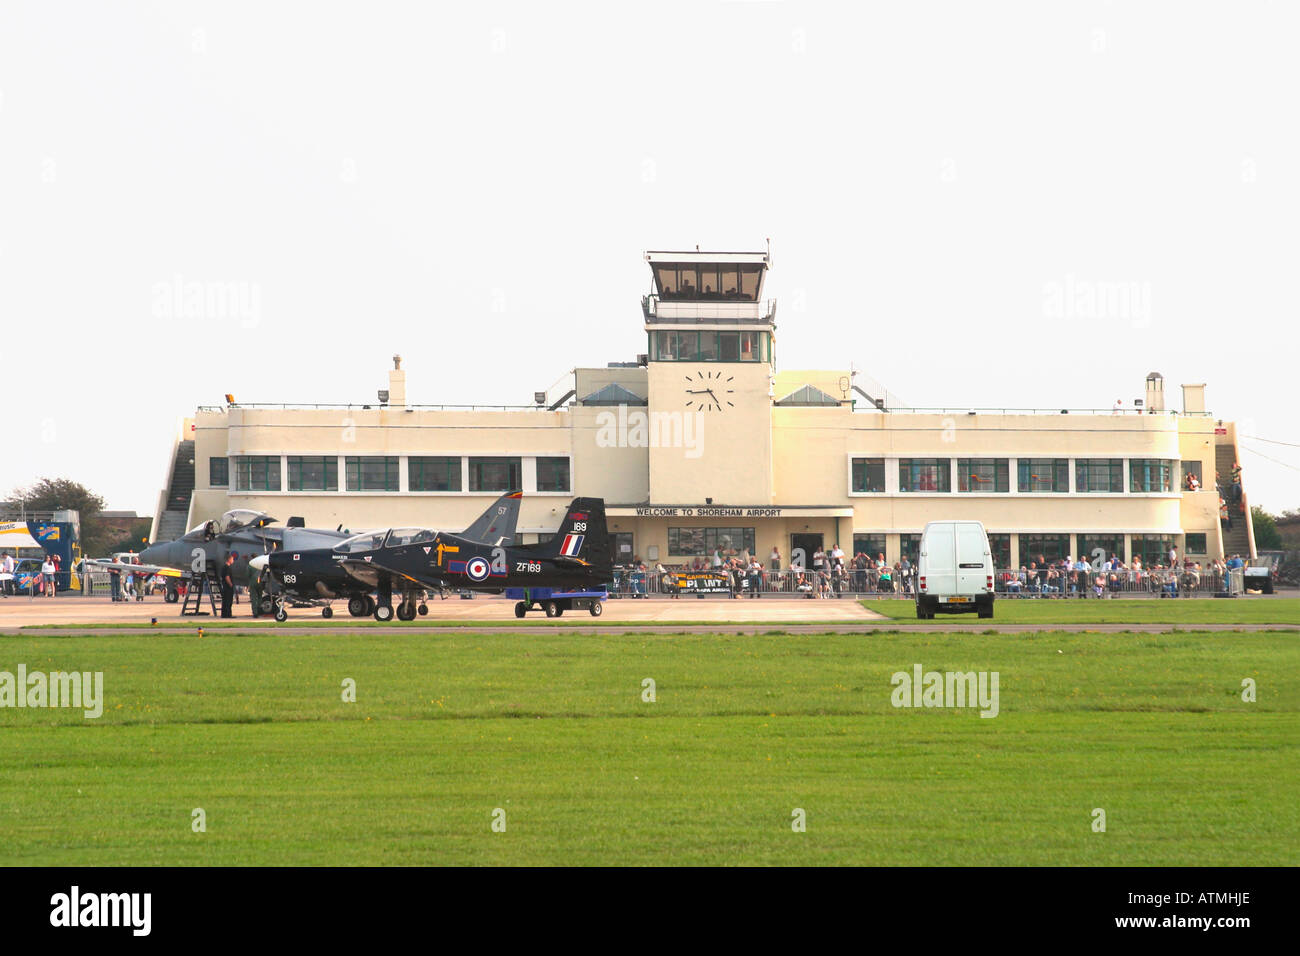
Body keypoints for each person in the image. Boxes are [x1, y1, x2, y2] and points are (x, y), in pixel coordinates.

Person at [220, 553, 236, 618]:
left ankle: (224, 614)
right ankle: (228, 614)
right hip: (228, 587)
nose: (233, 560)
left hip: (225, 586)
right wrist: (231, 585)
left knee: (225, 601)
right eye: (232, 559)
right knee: (228, 601)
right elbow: (227, 577)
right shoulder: (227, 568)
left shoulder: (224, 567)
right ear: (229, 559)